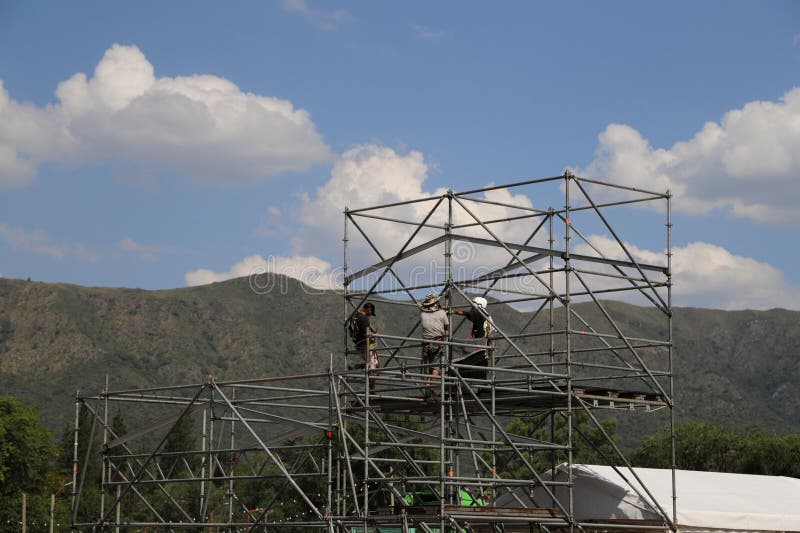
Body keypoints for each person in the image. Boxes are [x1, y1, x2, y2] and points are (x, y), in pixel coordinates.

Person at [419, 293, 449, 388]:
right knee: (435, 367)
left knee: (426, 366)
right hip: (438, 342)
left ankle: (427, 387)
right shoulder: (442, 313)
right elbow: (446, 326)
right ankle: (431, 388)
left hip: (425, 343)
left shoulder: (423, 314)